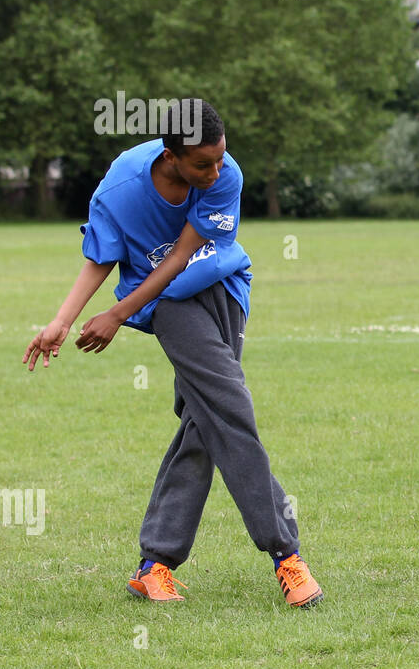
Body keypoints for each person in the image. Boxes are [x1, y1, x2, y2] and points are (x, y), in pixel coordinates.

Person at [23, 99, 323, 607]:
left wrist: (115, 316)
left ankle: (154, 565)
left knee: (206, 420)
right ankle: (286, 555)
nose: (216, 171)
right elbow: (102, 256)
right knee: (230, 407)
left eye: (220, 158)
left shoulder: (224, 174)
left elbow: (186, 254)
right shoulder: (120, 187)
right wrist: (63, 321)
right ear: (170, 155)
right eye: (201, 164)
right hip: (165, 302)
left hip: (225, 287)